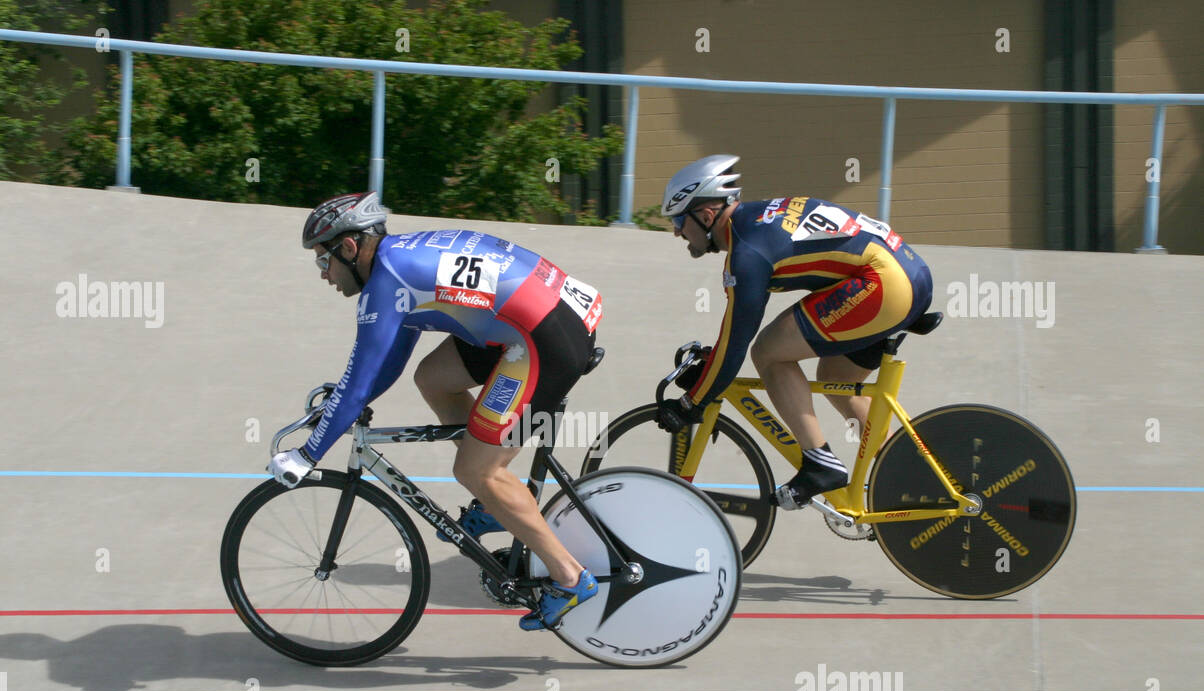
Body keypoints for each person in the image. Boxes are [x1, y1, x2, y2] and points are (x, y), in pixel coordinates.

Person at [268, 191, 602, 630]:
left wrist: (308, 454)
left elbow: (362, 381)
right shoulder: (395, 263)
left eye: (322, 260)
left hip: (544, 338)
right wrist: (346, 403)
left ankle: (569, 576)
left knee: (476, 470)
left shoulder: (387, 283)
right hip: (542, 313)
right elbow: (385, 365)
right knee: (432, 377)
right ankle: (496, 499)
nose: (323, 273)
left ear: (349, 248)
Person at [656, 155, 934, 509]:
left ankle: (821, 463)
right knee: (836, 379)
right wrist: (710, 377)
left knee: (767, 353)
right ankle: (911, 473)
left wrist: (691, 401)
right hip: (907, 272)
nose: (678, 231)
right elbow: (732, 336)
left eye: (679, 220)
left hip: (883, 283)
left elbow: (736, 343)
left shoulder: (748, 253)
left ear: (706, 216)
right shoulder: (758, 219)